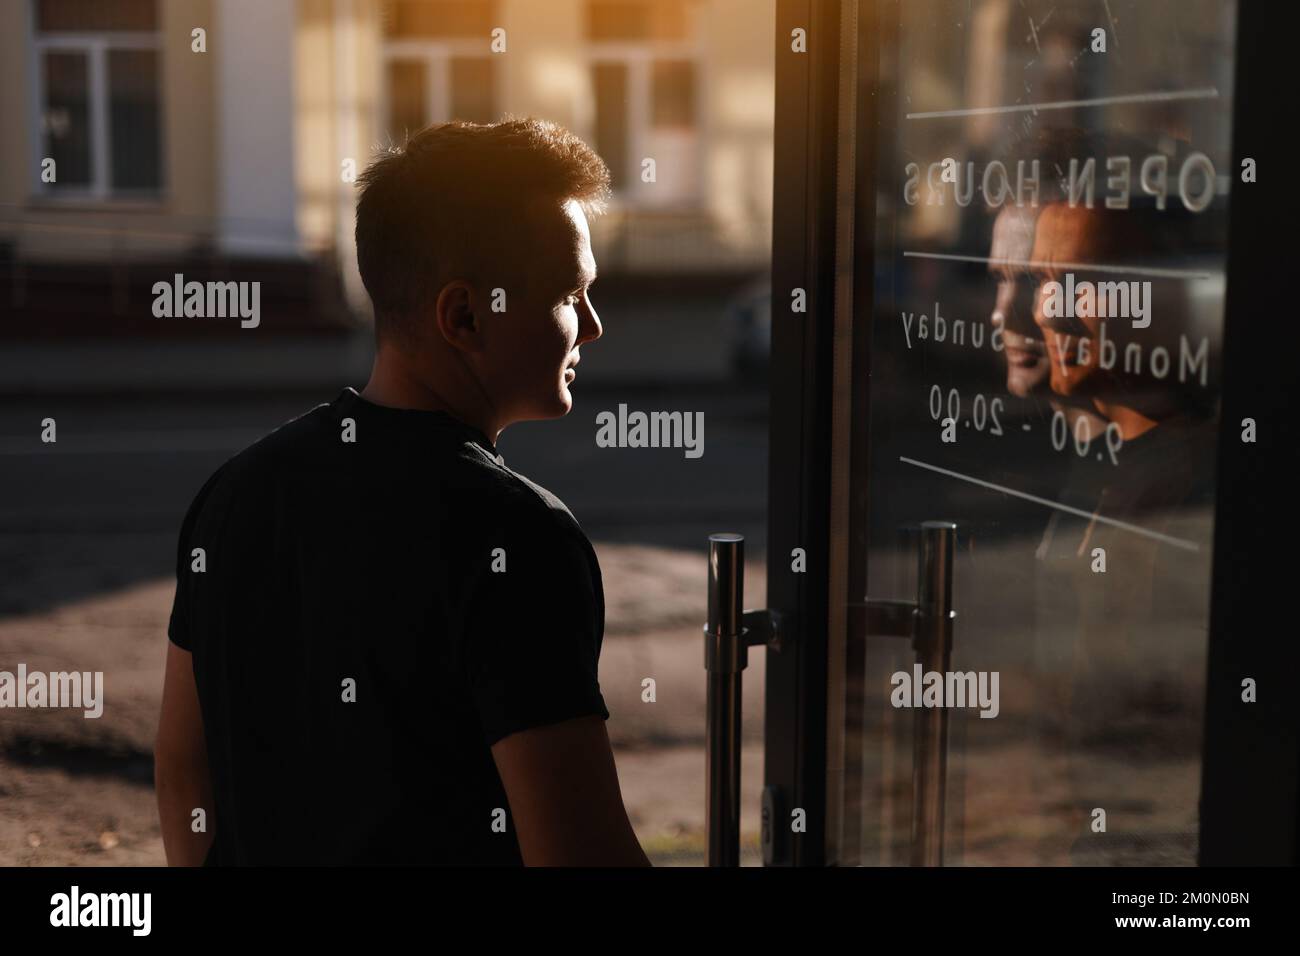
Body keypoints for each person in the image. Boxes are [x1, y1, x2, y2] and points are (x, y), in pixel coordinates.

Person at [154, 118, 651, 866]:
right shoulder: (518, 537)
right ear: (464, 316)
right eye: (568, 294)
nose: (594, 325)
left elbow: (183, 766)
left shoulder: (235, 492)